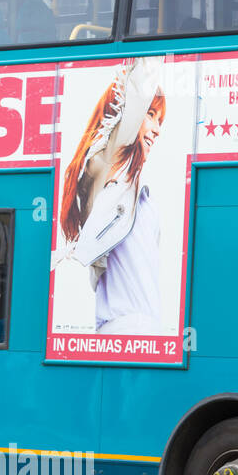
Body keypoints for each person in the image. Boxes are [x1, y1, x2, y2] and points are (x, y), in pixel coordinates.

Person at [56, 59, 166, 335]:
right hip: (127, 327)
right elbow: (142, 79)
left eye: (160, 120)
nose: (157, 129)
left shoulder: (139, 194)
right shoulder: (107, 163)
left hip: (144, 329)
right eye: (150, 115)